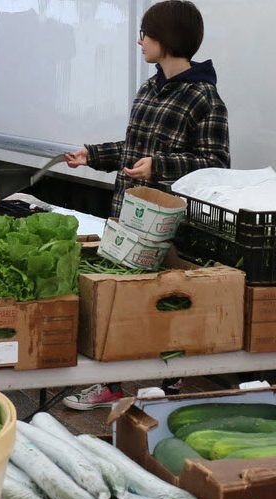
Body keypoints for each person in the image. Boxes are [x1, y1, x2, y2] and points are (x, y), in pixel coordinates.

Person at [62, 0, 229, 410]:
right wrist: (94, 154)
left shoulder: (205, 97)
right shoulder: (150, 87)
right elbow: (135, 149)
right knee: (120, 301)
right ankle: (112, 386)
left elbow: (217, 164)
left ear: (167, 38)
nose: (140, 41)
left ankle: (168, 388)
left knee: (169, 304)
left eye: (146, 34)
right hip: (127, 215)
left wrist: (159, 168)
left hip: (170, 224)